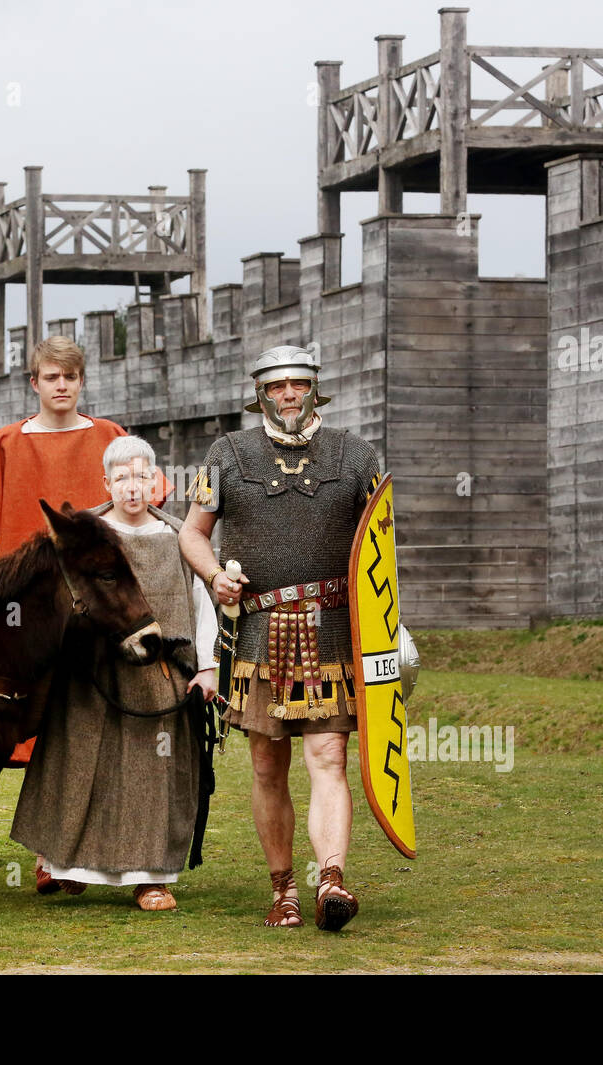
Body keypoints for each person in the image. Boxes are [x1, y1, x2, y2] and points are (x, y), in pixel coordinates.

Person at [179, 344, 379, 931]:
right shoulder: (227, 455)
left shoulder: (357, 454)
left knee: (328, 756)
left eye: (298, 384)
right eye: (276, 387)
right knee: (268, 766)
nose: (288, 395)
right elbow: (193, 533)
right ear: (259, 395)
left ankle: (332, 880)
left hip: (333, 629)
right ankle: (284, 889)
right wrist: (216, 577)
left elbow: (380, 546)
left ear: (316, 389)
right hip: (259, 630)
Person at [11, 437, 218, 910]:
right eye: (121, 477)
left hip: (159, 681)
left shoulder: (176, 538)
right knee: (80, 770)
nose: (131, 487)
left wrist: (207, 668)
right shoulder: (87, 536)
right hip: (92, 680)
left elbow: (201, 606)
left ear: (155, 482)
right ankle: (66, 866)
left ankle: (152, 879)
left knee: (153, 779)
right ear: (107, 482)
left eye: (141, 476)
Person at [0, 335, 126, 891]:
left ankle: (60, 858)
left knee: (78, 729)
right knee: (4, 733)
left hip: (87, 614)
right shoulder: (7, 443)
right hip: (17, 618)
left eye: (69, 378)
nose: (60, 386)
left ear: (81, 382)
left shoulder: (110, 440)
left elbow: (134, 516)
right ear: (34, 383)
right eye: (50, 377)